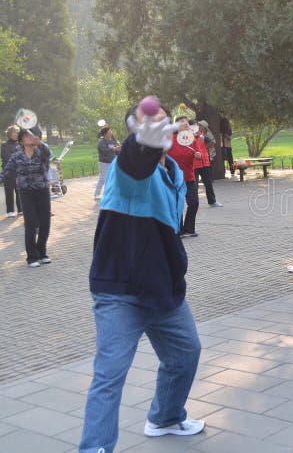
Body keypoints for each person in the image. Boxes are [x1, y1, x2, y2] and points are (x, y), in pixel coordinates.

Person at [79, 97, 204, 453]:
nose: (158, 126)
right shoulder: (127, 168)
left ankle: (164, 418)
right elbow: (136, 162)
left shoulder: (174, 175)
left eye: (162, 120)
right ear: (135, 130)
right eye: (148, 121)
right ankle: (95, 448)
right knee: (110, 374)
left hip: (163, 287)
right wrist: (144, 141)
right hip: (120, 290)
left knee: (186, 354)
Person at [0, 127, 52, 267]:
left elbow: (49, 154)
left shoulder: (40, 151)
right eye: (28, 136)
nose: (31, 137)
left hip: (42, 190)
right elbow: (7, 171)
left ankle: (42, 252)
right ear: (21, 140)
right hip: (26, 192)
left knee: (45, 223)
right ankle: (32, 257)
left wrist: (40, 143)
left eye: (32, 136)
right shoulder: (17, 155)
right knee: (31, 224)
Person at [168, 115, 201, 238]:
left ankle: (189, 228)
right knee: (178, 204)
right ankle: (179, 230)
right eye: (182, 122)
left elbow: (199, 153)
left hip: (189, 176)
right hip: (175, 177)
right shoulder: (171, 138)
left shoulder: (192, 139)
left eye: (187, 122)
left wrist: (198, 154)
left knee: (194, 203)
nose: (186, 123)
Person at [195, 120, 222, 207]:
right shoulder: (186, 136)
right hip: (193, 164)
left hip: (204, 163)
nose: (197, 126)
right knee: (194, 185)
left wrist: (204, 149)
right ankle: (194, 203)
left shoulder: (201, 134)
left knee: (208, 183)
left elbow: (212, 142)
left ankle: (212, 201)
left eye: (197, 125)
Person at [1, 125, 23, 217]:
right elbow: (6, 157)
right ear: (10, 134)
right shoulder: (4, 145)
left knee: (20, 191)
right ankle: (10, 211)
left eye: (18, 132)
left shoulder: (20, 144)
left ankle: (20, 209)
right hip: (9, 171)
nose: (17, 134)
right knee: (9, 191)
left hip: (19, 171)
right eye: (15, 132)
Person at [95, 126, 120, 200]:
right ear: (105, 134)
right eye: (109, 132)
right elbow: (104, 151)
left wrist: (118, 149)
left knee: (113, 178)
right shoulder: (101, 142)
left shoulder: (111, 141)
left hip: (112, 162)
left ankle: (110, 193)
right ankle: (97, 194)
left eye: (111, 131)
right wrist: (114, 149)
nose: (111, 133)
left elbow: (115, 148)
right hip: (104, 163)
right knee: (103, 178)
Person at [219, 111, 234, 178]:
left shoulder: (228, 129)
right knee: (222, 160)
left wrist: (225, 135)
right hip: (222, 146)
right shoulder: (219, 128)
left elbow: (229, 138)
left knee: (230, 160)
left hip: (227, 146)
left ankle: (232, 171)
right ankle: (223, 172)